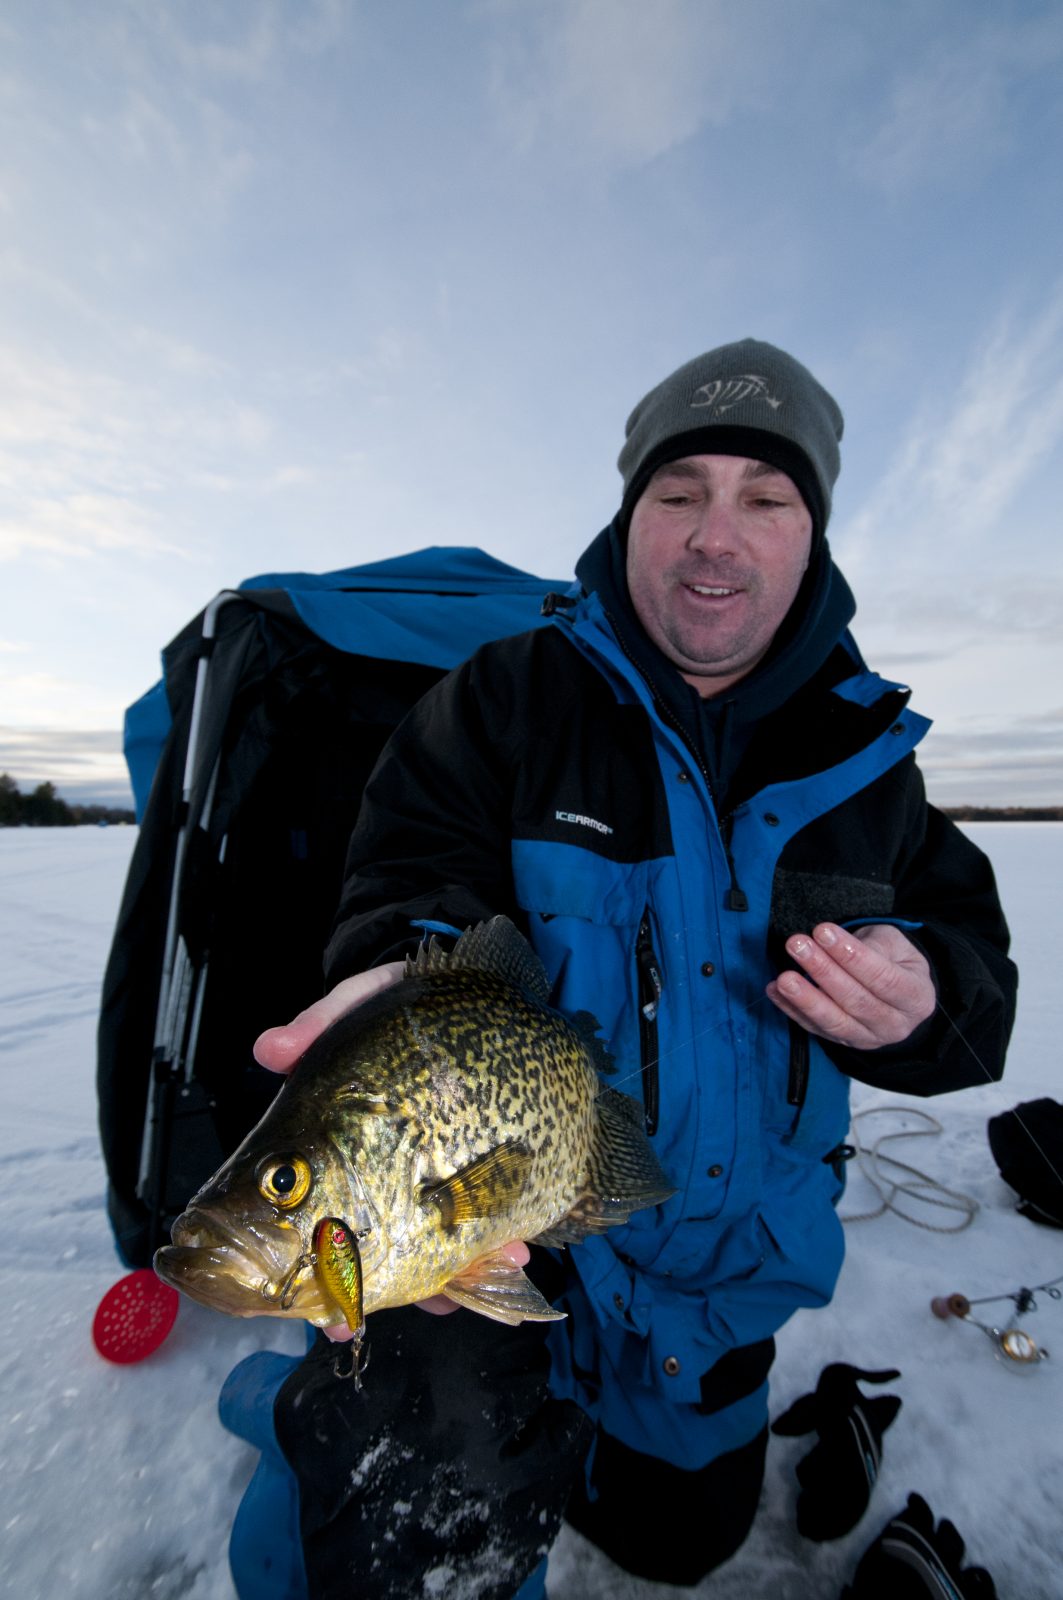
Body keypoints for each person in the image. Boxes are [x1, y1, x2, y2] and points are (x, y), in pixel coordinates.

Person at [239, 338, 1016, 1599]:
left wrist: (924, 995)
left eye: (764, 499)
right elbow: (410, 878)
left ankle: (598, 1453)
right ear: (627, 515)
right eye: (679, 493)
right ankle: (331, 1406)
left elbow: (973, 979)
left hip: (715, 1273)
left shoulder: (870, 760)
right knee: (420, 1521)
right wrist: (398, 981)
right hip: (507, 1238)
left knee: (679, 1544)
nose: (717, 534)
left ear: (812, 537)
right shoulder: (503, 700)